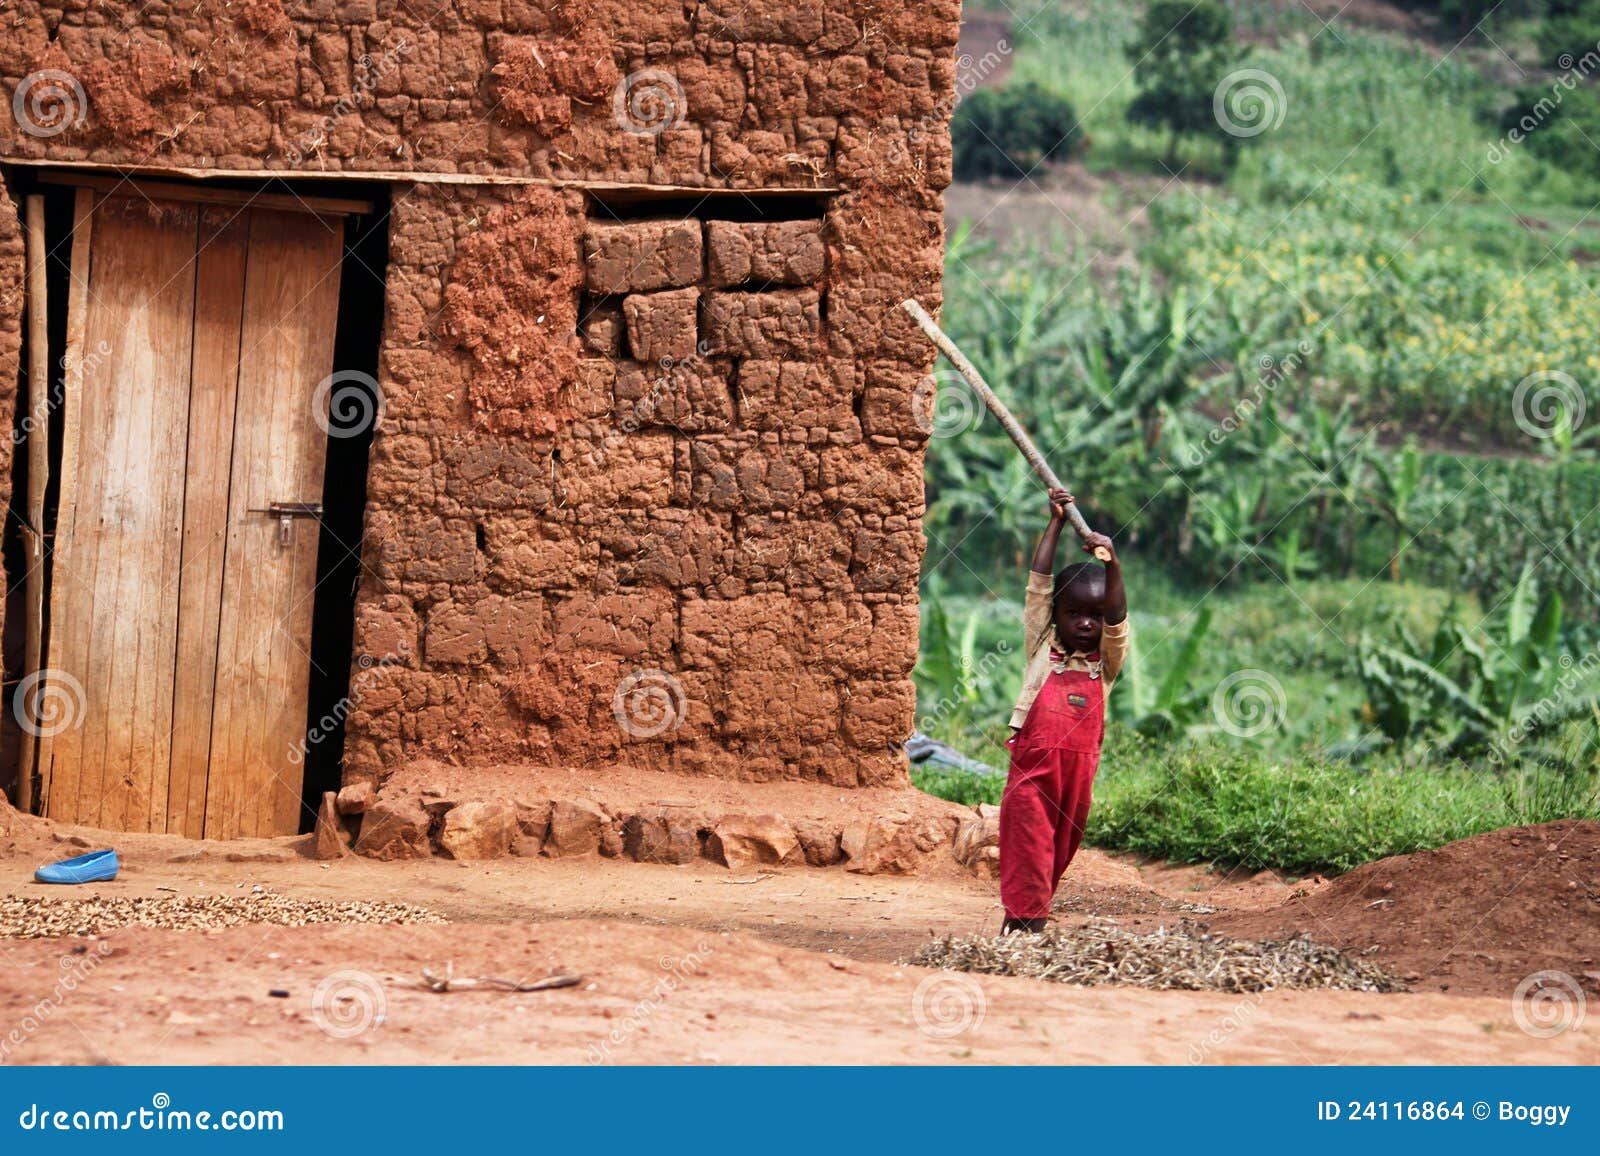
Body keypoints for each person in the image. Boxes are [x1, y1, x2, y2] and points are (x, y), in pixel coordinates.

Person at [999, 487, 1128, 934]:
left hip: (1077, 774)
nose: (1087, 623)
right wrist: (1055, 523)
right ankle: (1025, 924)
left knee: (1061, 845)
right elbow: (1038, 583)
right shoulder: (1042, 643)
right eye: (1074, 613)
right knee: (1028, 839)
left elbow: (1118, 618)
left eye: (1095, 615)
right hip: (1033, 767)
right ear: (1056, 615)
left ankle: (1027, 916)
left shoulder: (1106, 662)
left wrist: (1113, 564)